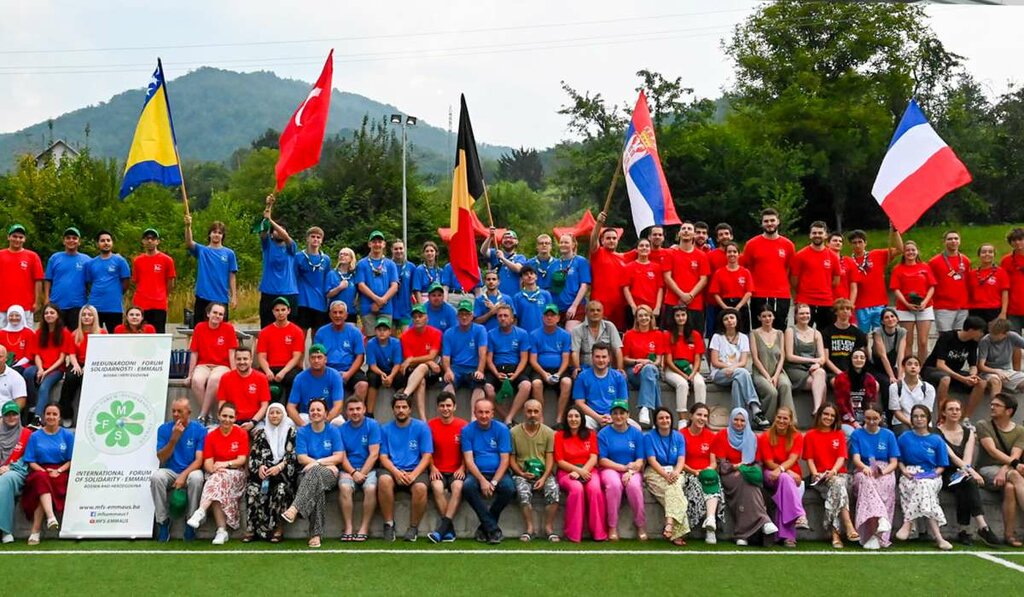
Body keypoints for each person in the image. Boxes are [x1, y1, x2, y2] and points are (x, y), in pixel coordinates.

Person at [936, 397, 1001, 547]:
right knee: (968, 481)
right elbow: (952, 456)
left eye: (957, 409)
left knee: (965, 484)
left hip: (963, 472)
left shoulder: (968, 432)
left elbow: (967, 458)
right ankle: (982, 527)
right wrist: (974, 473)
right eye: (950, 409)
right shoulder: (937, 432)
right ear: (944, 413)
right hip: (945, 473)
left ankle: (965, 530)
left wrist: (968, 471)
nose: (954, 412)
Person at [281, 398, 343, 548]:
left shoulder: (333, 430)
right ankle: (315, 535)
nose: (315, 412)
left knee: (316, 474)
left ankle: (295, 508)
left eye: (319, 410)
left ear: (326, 413)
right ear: (308, 414)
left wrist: (316, 463)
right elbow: (301, 458)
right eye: (312, 410)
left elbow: (339, 456)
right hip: (307, 474)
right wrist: (325, 463)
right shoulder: (303, 432)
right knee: (317, 489)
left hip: (329, 474)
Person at [187, 402, 249, 545]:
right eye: (224, 416)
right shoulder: (211, 436)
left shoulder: (241, 433)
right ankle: (221, 531)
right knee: (217, 484)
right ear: (218, 416)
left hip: (236, 474)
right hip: (216, 474)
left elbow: (241, 460)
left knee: (216, 481)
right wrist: (215, 469)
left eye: (231, 417)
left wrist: (225, 464)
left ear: (235, 418)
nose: (227, 419)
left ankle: (201, 512)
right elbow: (208, 463)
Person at [713, 408, 778, 546]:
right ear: (731, 420)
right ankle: (764, 521)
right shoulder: (722, 435)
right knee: (745, 480)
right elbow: (721, 465)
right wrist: (735, 467)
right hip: (729, 475)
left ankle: (742, 535)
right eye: (736, 419)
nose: (739, 423)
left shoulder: (752, 438)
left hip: (746, 474)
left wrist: (746, 470)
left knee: (748, 481)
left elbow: (758, 463)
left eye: (742, 420)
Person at [895, 404, 952, 550]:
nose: (919, 419)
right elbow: (899, 460)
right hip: (909, 474)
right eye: (915, 416)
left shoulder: (937, 439)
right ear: (911, 419)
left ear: (928, 418)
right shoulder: (904, 437)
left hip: (932, 475)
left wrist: (932, 474)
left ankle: (908, 523)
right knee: (924, 491)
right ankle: (939, 538)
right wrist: (904, 471)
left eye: (922, 416)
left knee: (924, 485)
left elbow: (942, 465)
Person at [803, 403, 859, 548]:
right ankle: (847, 526)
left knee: (837, 486)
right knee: (837, 488)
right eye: (826, 414)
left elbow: (841, 457)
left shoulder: (839, 434)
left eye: (832, 415)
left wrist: (833, 471)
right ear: (820, 415)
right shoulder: (810, 435)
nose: (828, 417)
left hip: (839, 475)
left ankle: (836, 534)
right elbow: (809, 458)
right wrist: (815, 474)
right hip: (820, 477)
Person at [378, 393, 433, 542]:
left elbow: (427, 455)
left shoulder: (422, 428)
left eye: (404, 407)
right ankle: (389, 524)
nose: (401, 410)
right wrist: (395, 472)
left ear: (410, 409)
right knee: (383, 480)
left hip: (415, 470)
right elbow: (383, 457)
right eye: (397, 407)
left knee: (421, 488)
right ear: (393, 409)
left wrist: (414, 474)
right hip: (393, 469)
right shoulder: (385, 429)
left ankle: (413, 527)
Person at [151, 397, 206, 542]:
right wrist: (174, 439)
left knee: (197, 478)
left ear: (189, 412)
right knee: (156, 477)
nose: (175, 414)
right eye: (173, 411)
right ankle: (163, 522)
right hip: (169, 470)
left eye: (179, 411)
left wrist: (183, 476)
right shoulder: (164, 429)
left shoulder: (199, 430)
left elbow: (199, 460)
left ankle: (190, 523)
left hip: (190, 470)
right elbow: (162, 458)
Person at [460, 398, 514, 544]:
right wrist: (483, 481)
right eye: (480, 412)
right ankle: (493, 529)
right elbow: (469, 460)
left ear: (492, 413)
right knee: (467, 487)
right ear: (475, 413)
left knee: (509, 488)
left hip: (499, 473)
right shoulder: (467, 431)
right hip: (478, 474)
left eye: (487, 412)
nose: (484, 416)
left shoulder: (502, 429)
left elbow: (505, 460)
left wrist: (494, 482)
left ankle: (486, 527)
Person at [975, 393, 1024, 546]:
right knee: (1015, 476)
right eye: (992, 404)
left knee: (1010, 487)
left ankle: (1009, 535)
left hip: (1008, 470)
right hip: (986, 469)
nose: (992, 407)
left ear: (1008, 411)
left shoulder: (1020, 431)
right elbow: (992, 451)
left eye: (997, 405)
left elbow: (1015, 455)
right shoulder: (983, 425)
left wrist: (1004, 469)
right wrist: (1010, 468)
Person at [848, 403, 900, 549]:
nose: (871, 422)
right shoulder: (857, 434)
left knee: (886, 483)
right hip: (863, 469)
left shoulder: (888, 435)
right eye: (868, 418)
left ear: (880, 418)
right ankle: (878, 521)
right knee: (866, 482)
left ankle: (878, 536)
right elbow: (856, 458)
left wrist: (883, 471)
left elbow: (894, 462)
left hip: (885, 470)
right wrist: (865, 468)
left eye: (875, 418)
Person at [243, 403, 296, 543]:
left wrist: (279, 467)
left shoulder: (291, 432)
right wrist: (260, 466)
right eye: (271, 413)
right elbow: (254, 455)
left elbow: (293, 456)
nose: (274, 416)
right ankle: (252, 529)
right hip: (263, 476)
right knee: (252, 488)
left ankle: (278, 529)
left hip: (282, 476)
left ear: (283, 415)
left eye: (278, 413)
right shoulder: (261, 434)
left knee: (281, 489)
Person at [21, 403, 73, 545]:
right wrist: (43, 471)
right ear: (44, 416)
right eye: (48, 414)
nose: (51, 417)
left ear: (60, 417)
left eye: (54, 414)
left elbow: (71, 460)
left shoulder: (67, 435)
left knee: (42, 486)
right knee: (41, 480)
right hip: (39, 470)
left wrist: (59, 470)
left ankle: (35, 531)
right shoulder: (35, 436)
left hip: (60, 472)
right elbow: (31, 461)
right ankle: (51, 517)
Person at [508, 398, 558, 542]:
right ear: (524, 412)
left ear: (541, 413)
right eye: (529, 411)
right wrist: (521, 473)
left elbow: (550, 458)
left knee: (553, 490)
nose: (532, 414)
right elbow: (511, 458)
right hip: (522, 473)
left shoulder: (549, 433)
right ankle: (530, 528)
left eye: (536, 411)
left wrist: (544, 478)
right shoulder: (514, 432)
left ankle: (548, 528)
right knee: (522, 492)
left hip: (544, 473)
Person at [922, 315, 989, 420]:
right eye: (980, 331)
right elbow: (940, 364)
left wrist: (973, 376)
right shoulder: (947, 337)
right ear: (971, 330)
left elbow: (972, 365)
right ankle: (941, 418)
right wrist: (962, 379)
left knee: (982, 382)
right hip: (933, 370)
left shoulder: (973, 343)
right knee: (945, 379)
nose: (982, 334)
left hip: (954, 372)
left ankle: (966, 418)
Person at [709, 309, 768, 429]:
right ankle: (755, 408)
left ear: (737, 320)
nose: (729, 321)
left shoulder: (743, 338)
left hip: (736, 373)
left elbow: (743, 362)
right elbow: (715, 362)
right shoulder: (717, 337)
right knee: (742, 372)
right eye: (726, 319)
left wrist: (733, 368)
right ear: (722, 322)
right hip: (720, 374)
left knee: (737, 381)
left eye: (732, 317)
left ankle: (738, 419)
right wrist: (730, 368)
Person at [555, 404, 606, 542]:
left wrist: (583, 471)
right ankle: (573, 533)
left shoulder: (590, 434)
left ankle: (599, 532)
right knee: (577, 489)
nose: (573, 419)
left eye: (576, 416)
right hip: (567, 471)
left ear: (581, 419)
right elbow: (559, 461)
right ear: (566, 419)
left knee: (595, 489)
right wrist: (577, 471)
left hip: (589, 469)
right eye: (570, 416)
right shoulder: (559, 436)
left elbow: (594, 457)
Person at [598, 400, 647, 541]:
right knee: (614, 485)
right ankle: (612, 526)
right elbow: (602, 460)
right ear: (611, 415)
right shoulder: (603, 434)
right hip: (611, 468)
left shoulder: (636, 434)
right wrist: (623, 468)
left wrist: (630, 472)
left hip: (632, 470)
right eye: (615, 413)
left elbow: (640, 460)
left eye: (622, 413)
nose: (618, 417)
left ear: (628, 415)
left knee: (634, 487)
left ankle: (641, 524)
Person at [758, 407, 807, 547]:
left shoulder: (797, 436)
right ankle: (798, 517)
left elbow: (793, 458)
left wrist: (783, 470)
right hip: (771, 474)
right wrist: (783, 471)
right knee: (785, 479)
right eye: (779, 417)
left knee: (784, 485)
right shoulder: (766, 436)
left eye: (785, 418)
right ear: (775, 418)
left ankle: (783, 536)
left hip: (791, 475)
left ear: (790, 420)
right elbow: (768, 462)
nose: (782, 420)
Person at [741, 208, 795, 330]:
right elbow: (746, 270)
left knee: (780, 330)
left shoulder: (788, 245)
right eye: (766, 221)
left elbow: (790, 270)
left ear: (778, 222)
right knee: (758, 330)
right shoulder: (751, 244)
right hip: (758, 294)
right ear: (762, 223)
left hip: (781, 295)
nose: (769, 223)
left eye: (772, 220)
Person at [643, 407, 689, 546]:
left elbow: (681, 459)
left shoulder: (678, 436)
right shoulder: (649, 437)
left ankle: (668, 523)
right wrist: (665, 475)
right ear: (656, 421)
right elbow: (652, 460)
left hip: (675, 471)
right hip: (655, 472)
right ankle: (677, 533)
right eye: (661, 418)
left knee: (672, 488)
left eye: (667, 418)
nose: (665, 421)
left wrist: (675, 472)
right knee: (675, 492)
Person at [337, 397, 381, 542]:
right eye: (351, 409)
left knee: (370, 488)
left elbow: (374, 454)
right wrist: (353, 473)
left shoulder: (372, 425)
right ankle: (348, 527)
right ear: (346, 412)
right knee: (344, 487)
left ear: (364, 409)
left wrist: (362, 473)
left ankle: (364, 528)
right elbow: (341, 456)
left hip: (368, 469)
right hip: (349, 469)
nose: (355, 412)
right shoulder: (342, 429)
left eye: (358, 409)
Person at [426, 391, 467, 543]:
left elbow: (467, 452)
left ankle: (442, 529)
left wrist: (463, 468)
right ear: (437, 408)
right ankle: (448, 530)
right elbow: (426, 451)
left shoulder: (463, 426)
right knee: (437, 487)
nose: (445, 409)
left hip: (457, 470)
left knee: (457, 487)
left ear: (454, 407)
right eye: (442, 406)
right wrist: (432, 468)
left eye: (448, 405)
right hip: (438, 470)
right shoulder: (430, 426)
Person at [680, 403, 724, 544]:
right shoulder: (681, 434)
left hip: (705, 474)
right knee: (697, 487)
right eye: (699, 414)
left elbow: (713, 463)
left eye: (705, 416)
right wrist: (694, 471)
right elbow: (679, 462)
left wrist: (708, 470)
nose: (702, 418)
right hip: (688, 473)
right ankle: (708, 526)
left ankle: (710, 523)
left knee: (712, 479)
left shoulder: (711, 436)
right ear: (691, 416)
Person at [187, 302, 237, 424]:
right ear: (208, 313)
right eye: (215, 312)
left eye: (221, 314)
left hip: (222, 365)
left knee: (214, 379)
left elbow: (232, 353)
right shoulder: (199, 327)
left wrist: (235, 372)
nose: (217, 316)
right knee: (196, 380)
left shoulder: (228, 328)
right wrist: (190, 374)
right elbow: (194, 353)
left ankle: (202, 416)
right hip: (203, 364)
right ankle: (209, 416)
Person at [846, 228, 903, 336]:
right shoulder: (848, 261)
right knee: (862, 336)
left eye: (860, 242)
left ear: (865, 243)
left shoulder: (877, 254)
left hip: (879, 303)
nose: (857, 245)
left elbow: (900, 249)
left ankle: (878, 353)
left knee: (880, 335)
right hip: (860, 305)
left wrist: (895, 232)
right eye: (854, 243)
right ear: (850, 244)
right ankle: (864, 353)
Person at [313, 301, 369, 407]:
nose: (337, 315)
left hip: (350, 369)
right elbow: (317, 357)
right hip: (327, 370)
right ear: (330, 315)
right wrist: (331, 373)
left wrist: (348, 374)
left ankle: (354, 415)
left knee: (362, 384)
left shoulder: (355, 332)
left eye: (340, 312)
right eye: (334, 312)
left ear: (346, 315)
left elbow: (360, 357)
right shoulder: (321, 332)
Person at [485, 304, 533, 424]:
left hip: (515, 368)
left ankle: (510, 416)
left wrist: (515, 375)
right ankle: (505, 417)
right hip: (496, 368)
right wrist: (496, 374)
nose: (502, 318)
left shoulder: (522, 334)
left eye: (506, 316)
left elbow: (524, 359)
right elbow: (489, 359)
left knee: (526, 385)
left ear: (512, 319)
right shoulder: (491, 334)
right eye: (500, 316)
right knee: (488, 389)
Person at [185, 217, 238, 323]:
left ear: (223, 236)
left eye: (220, 232)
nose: (216, 235)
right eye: (214, 232)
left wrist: (234, 297)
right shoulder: (202, 250)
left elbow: (232, 276)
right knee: (200, 330)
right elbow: (189, 243)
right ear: (209, 234)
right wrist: (188, 226)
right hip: (202, 296)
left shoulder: (229, 253)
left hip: (221, 298)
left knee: (220, 331)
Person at [58, 305, 105, 426]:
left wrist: (88, 366)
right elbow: (72, 354)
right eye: (84, 315)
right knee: (70, 377)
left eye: (90, 315)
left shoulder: (102, 333)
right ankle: (66, 414)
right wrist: (76, 365)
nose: (87, 317)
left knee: (88, 380)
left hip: (95, 363)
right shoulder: (75, 334)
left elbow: (101, 353)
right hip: (78, 363)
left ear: (95, 317)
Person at [750, 306, 795, 426]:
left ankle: (789, 421)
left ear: (773, 317)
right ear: (759, 318)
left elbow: (782, 358)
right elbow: (755, 358)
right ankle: (767, 421)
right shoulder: (754, 333)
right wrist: (768, 377)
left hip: (777, 371)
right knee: (772, 392)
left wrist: (775, 376)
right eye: (764, 316)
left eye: (769, 315)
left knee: (785, 385)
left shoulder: (780, 333)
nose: (767, 318)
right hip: (761, 372)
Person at [621, 304, 665, 427]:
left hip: (652, 369)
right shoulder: (629, 334)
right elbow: (625, 359)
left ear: (651, 317)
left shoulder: (658, 334)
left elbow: (658, 360)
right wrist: (638, 361)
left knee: (649, 370)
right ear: (636, 318)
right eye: (640, 315)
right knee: (653, 382)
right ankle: (658, 415)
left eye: (646, 315)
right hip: (633, 371)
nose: (643, 318)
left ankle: (645, 407)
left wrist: (647, 363)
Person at [257, 197, 299, 328]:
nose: (278, 232)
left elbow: (286, 236)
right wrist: (268, 207)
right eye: (275, 230)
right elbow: (263, 231)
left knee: (289, 328)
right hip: (269, 291)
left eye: (281, 229)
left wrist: (271, 220)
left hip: (289, 292)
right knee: (266, 327)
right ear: (272, 233)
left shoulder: (290, 247)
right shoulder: (267, 245)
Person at [890, 240, 936, 358]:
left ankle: (922, 368)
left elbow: (932, 287)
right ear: (903, 253)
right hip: (905, 308)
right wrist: (906, 303)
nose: (910, 252)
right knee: (908, 342)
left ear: (917, 251)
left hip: (924, 307)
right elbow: (895, 289)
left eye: (913, 250)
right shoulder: (898, 268)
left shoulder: (925, 267)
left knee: (923, 341)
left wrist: (925, 302)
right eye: (907, 250)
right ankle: (908, 368)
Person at [664, 307, 707, 430]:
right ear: (673, 318)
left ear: (687, 316)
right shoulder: (668, 335)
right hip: (673, 369)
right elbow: (668, 360)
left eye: (683, 315)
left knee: (700, 383)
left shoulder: (695, 335)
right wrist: (683, 375)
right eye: (677, 315)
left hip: (691, 368)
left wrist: (693, 373)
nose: (681, 318)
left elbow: (698, 358)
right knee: (682, 384)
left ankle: (700, 416)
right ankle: (682, 420)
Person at [790, 221, 838, 330]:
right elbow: (794, 281)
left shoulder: (833, 256)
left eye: (820, 233)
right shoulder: (800, 255)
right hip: (805, 302)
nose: (817, 235)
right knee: (801, 335)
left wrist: (823, 289)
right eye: (814, 233)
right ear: (810, 235)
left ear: (826, 235)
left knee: (826, 337)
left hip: (826, 302)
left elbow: (835, 281)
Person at [257, 296, 305, 403]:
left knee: (295, 378)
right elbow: (261, 356)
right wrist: (267, 371)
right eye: (277, 310)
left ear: (289, 311)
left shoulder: (297, 331)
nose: (280, 313)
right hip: (270, 367)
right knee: (258, 378)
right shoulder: (265, 332)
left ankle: (290, 409)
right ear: (273, 312)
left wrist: (283, 372)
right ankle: (263, 410)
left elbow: (296, 356)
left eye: (283, 310)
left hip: (289, 368)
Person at [399, 304, 443, 420]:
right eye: (415, 317)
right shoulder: (405, 336)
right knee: (421, 380)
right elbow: (411, 362)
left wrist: (414, 360)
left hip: (432, 372)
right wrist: (429, 361)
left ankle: (405, 395)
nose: (417, 319)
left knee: (423, 367)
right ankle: (423, 419)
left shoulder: (436, 333)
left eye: (420, 316)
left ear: (426, 318)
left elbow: (431, 355)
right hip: (415, 372)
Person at [442, 300, 488, 410]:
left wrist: (480, 370)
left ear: (472, 316)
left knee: (479, 384)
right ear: (457, 316)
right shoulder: (449, 333)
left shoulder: (480, 330)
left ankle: (474, 418)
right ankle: (449, 414)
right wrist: (448, 370)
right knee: (448, 384)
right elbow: (446, 356)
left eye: (467, 314)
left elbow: (483, 353)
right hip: (456, 369)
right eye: (461, 314)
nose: (464, 317)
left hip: (473, 368)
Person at [529, 304, 574, 419]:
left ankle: (559, 418)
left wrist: (558, 374)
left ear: (558, 318)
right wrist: (544, 374)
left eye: (552, 315)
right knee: (536, 383)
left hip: (559, 369)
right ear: (543, 317)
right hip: (540, 369)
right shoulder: (534, 334)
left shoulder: (565, 335)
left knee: (567, 382)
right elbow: (533, 360)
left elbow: (566, 359)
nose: (549, 318)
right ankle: (541, 417)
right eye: (547, 315)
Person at [663, 222, 709, 332]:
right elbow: (667, 277)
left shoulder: (701, 255)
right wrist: (681, 295)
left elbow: (704, 279)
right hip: (673, 302)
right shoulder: (670, 253)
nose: (686, 231)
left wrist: (691, 295)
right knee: (670, 336)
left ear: (694, 234)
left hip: (695, 303)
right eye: (683, 229)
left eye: (689, 229)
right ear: (679, 234)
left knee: (694, 337)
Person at [25, 304, 69, 417]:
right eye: (46, 313)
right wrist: (40, 369)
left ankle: (38, 418)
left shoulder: (65, 333)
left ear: (58, 315)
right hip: (41, 366)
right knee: (28, 372)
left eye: (52, 313)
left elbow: (62, 359)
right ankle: (34, 403)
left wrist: (46, 372)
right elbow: (37, 355)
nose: (49, 315)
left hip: (56, 369)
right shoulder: (39, 332)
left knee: (44, 387)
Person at [784, 304, 829, 415]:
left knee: (821, 372)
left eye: (807, 313)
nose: (805, 316)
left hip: (812, 368)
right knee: (820, 384)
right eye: (802, 313)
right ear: (796, 316)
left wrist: (818, 364)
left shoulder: (816, 333)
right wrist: (812, 361)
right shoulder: (790, 331)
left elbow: (822, 357)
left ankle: (817, 409)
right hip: (795, 368)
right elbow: (789, 356)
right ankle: (821, 413)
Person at [573, 343, 630, 430]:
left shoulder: (618, 377)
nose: (601, 360)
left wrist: (613, 417)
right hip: (591, 416)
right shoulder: (583, 376)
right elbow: (579, 403)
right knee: (582, 425)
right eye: (597, 356)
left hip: (614, 416)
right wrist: (598, 417)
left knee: (637, 428)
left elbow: (623, 402)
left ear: (609, 358)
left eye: (604, 357)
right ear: (592, 358)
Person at [43, 226, 90, 330]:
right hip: (57, 304)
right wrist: (46, 298)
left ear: (79, 242)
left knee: (76, 336)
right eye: (68, 238)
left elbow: (91, 281)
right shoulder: (55, 258)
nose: (71, 240)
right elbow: (48, 279)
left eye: (74, 238)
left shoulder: (86, 260)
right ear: (64, 241)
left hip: (78, 304)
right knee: (57, 335)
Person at [355, 230, 400, 336]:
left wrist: (382, 301)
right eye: (374, 242)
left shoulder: (390, 264)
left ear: (384, 244)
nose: (377, 244)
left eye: (380, 242)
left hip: (386, 307)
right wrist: (377, 299)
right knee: (371, 338)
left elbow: (394, 286)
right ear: (369, 244)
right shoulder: (362, 263)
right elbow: (361, 285)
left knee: (385, 338)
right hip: (368, 307)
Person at [0, 401, 33, 544]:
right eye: (8, 415)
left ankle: (5, 531)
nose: (11, 417)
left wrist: (11, 467)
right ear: (3, 417)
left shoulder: (27, 434)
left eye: (14, 414)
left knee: (6, 480)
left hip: (17, 472)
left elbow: (30, 458)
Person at [287, 344, 343, 426]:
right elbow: (290, 407)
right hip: (307, 416)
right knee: (289, 423)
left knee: (339, 423)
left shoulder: (334, 375)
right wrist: (303, 426)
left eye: (319, 357)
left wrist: (325, 421)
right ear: (309, 359)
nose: (316, 360)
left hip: (328, 415)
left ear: (325, 359)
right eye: (313, 357)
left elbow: (338, 405)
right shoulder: (300, 378)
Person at [131, 228, 175, 332]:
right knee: (140, 334)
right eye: (147, 238)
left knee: (158, 335)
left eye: (153, 238)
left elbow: (171, 283)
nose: (150, 241)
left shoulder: (167, 260)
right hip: (141, 304)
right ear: (143, 241)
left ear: (157, 241)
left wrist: (162, 295)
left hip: (159, 304)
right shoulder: (137, 260)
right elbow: (136, 281)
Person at [0, 224, 43, 329]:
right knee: (2, 339)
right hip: (2, 305)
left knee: (26, 338)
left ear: (24, 239)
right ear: (8, 237)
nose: (17, 239)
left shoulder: (32, 256)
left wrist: (37, 302)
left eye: (21, 237)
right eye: (14, 236)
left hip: (26, 306)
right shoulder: (1, 255)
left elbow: (38, 280)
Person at [216, 347, 270, 430]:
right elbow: (222, 403)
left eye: (245, 359)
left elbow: (264, 405)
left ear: (251, 360)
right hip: (232, 420)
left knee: (262, 436)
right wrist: (228, 421)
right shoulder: (226, 378)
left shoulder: (261, 378)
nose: (242, 362)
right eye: (238, 359)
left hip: (255, 420)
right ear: (234, 360)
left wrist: (253, 422)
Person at [589, 217, 627, 330]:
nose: (611, 240)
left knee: (617, 338)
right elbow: (593, 239)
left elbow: (645, 251)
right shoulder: (598, 253)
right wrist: (598, 224)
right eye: (608, 238)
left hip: (619, 306)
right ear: (602, 241)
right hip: (599, 305)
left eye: (614, 238)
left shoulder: (624, 257)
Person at [707, 241, 754, 333]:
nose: (732, 254)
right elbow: (715, 293)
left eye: (734, 252)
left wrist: (738, 307)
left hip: (741, 305)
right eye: (729, 252)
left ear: (739, 254)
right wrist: (724, 307)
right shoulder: (719, 273)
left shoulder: (745, 272)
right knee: (723, 333)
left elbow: (749, 291)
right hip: (724, 305)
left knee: (742, 333)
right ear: (725, 254)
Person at [930, 230, 971, 333]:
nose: (953, 241)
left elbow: (968, 282)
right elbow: (930, 284)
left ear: (960, 241)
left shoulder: (966, 260)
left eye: (956, 238)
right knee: (945, 338)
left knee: (960, 337)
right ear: (944, 242)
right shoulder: (934, 262)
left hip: (963, 306)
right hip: (943, 306)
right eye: (950, 239)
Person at [294, 227, 332, 337]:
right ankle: (300, 355)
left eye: (318, 237)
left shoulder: (326, 259)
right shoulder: (298, 257)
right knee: (301, 335)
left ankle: (314, 355)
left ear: (321, 240)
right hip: (303, 301)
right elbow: (293, 278)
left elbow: (327, 279)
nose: (315, 239)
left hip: (320, 302)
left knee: (318, 336)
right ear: (307, 239)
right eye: (313, 236)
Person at [569, 300, 624, 375]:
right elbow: (575, 352)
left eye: (598, 310)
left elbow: (617, 350)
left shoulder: (610, 326)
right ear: (586, 313)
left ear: (602, 312)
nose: (595, 312)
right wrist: (577, 369)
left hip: (607, 369)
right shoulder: (577, 330)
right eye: (592, 310)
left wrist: (620, 369)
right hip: (585, 368)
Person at [550, 233, 591, 331]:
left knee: (570, 334)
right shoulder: (554, 264)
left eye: (566, 242)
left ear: (573, 245)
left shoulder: (580, 261)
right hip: (557, 306)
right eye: (561, 242)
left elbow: (584, 285)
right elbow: (551, 288)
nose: (563, 244)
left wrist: (574, 306)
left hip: (575, 305)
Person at [835, 349, 880, 435]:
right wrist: (853, 421)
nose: (859, 360)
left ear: (866, 360)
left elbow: (872, 402)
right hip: (846, 420)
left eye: (862, 358)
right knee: (852, 433)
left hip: (866, 419)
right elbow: (841, 404)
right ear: (850, 359)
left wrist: (868, 421)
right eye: (855, 357)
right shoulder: (841, 378)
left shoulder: (870, 379)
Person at [821, 298, 868, 383]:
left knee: (875, 385)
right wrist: (840, 373)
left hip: (854, 371)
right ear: (836, 312)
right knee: (842, 383)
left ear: (851, 312)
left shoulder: (858, 333)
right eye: (842, 309)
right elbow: (826, 359)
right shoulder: (826, 332)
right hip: (833, 372)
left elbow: (860, 357)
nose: (845, 311)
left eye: (848, 309)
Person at [365, 317, 404, 416]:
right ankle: (369, 413)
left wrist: (391, 376)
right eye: (379, 330)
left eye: (385, 330)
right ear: (375, 331)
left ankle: (401, 407)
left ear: (390, 331)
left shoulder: (396, 343)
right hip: (378, 370)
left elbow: (397, 364)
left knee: (400, 378)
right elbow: (372, 365)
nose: (382, 332)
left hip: (392, 370)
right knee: (372, 378)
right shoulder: (371, 344)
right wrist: (382, 374)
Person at [622, 238, 664, 329]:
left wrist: (658, 307)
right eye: (641, 246)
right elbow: (626, 288)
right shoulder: (629, 267)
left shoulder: (657, 268)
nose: (644, 248)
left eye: (647, 246)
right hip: (635, 307)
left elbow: (660, 288)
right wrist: (633, 306)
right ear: (636, 249)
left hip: (652, 308)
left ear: (650, 249)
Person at [888, 355, 936, 433]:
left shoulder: (928, 388)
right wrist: (911, 423)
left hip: (923, 422)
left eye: (916, 365)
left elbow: (927, 411)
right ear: (903, 368)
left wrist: (918, 423)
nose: (913, 367)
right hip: (902, 422)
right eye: (909, 364)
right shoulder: (895, 387)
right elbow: (896, 411)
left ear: (920, 369)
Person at [977, 318, 1024, 395]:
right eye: (991, 333)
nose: (992, 336)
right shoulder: (985, 341)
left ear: (1005, 334)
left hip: (1007, 371)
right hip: (989, 371)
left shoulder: (1012, 336)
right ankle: (995, 405)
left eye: (995, 334)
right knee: (996, 382)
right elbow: (981, 366)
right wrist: (996, 371)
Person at [969, 243, 1009, 325]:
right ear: (979, 255)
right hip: (975, 311)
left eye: (990, 252)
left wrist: (1003, 313)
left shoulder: (1001, 272)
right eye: (984, 252)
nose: (987, 254)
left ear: (994, 255)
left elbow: (1005, 293)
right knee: (977, 337)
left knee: (994, 336)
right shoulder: (972, 274)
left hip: (994, 310)